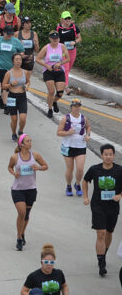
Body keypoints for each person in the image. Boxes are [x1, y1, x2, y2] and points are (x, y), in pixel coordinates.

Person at [83, 142, 122, 276]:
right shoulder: (94, 169)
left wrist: (119, 195)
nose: (108, 157)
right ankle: (101, 263)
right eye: (106, 154)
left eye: (110, 154)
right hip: (98, 206)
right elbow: (85, 181)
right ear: (101, 155)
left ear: (114, 155)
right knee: (101, 233)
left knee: (109, 232)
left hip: (113, 207)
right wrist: (86, 197)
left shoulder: (119, 170)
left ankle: (103, 253)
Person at [9, 133, 48, 251]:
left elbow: (46, 166)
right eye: (27, 141)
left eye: (31, 141)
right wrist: (14, 173)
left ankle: (22, 232)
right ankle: (19, 238)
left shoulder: (35, 155)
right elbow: (10, 167)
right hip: (18, 189)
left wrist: (39, 168)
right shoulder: (15, 157)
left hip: (31, 189)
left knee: (26, 215)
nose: (30, 143)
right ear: (21, 144)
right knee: (22, 213)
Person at [57, 100, 89, 197]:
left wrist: (88, 135)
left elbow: (88, 127)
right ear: (71, 107)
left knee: (80, 168)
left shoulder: (84, 118)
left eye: (78, 106)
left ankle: (77, 184)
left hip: (81, 146)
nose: (76, 108)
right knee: (70, 169)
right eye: (75, 106)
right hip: (68, 146)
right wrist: (67, 133)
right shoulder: (65, 118)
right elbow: (58, 132)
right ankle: (69, 185)